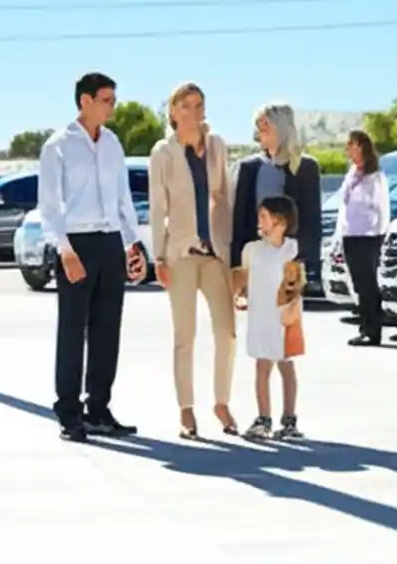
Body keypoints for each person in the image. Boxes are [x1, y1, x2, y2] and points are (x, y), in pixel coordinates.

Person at [37, 72, 146, 442]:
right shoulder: (58, 145)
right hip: (77, 246)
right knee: (72, 332)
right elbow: (49, 207)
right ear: (85, 100)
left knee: (106, 331)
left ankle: (98, 409)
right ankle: (69, 413)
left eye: (113, 100)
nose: (112, 106)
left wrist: (133, 243)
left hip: (110, 242)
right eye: (106, 100)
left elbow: (123, 198)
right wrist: (65, 250)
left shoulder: (113, 143)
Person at [149, 82, 239, 440]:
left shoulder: (217, 145)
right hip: (181, 254)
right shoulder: (163, 153)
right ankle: (186, 408)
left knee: (227, 332)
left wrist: (230, 252)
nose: (192, 111)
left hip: (215, 253)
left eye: (198, 104)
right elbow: (158, 207)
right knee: (185, 334)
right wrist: (158, 254)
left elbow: (225, 197)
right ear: (172, 112)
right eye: (184, 105)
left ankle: (221, 401)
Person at [230, 103, 323, 296]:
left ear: (281, 127)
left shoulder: (306, 168)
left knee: (288, 320)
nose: (259, 132)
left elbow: (312, 221)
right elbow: (238, 221)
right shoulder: (248, 168)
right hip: (256, 258)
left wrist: (307, 263)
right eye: (258, 126)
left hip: (289, 259)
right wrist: (236, 265)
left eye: (265, 125)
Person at [233, 195, 304, 440]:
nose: (260, 221)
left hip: (282, 317)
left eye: (265, 217)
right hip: (259, 316)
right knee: (262, 365)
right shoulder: (252, 250)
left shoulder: (291, 250)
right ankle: (263, 418)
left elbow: (295, 282)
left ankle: (289, 419)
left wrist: (292, 309)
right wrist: (240, 295)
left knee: (286, 365)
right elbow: (243, 279)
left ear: (281, 222)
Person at [337, 130, 390, 347]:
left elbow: (382, 207)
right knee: (358, 284)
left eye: (352, 144)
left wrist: (379, 233)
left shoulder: (375, 177)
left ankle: (373, 330)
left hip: (368, 236)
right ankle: (364, 326)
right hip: (350, 234)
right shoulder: (352, 173)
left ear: (362, 147)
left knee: (368, 284)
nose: (348, 149)